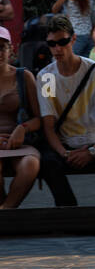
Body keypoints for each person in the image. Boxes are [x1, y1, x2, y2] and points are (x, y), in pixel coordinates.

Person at [37, 14, 95, 205]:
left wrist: (94, 150)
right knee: (48, 162)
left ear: (74, 39)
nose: (57, 49)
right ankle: (69, 212)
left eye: (63, 42)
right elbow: (48, 125)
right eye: (52, 44)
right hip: (66, 144)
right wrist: (65, 153)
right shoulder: (47, 77)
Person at [0, 26, 41, 209]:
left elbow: (40, 118)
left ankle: (6, 210)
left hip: (19, 143)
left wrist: (22, 128)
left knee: (30, 165)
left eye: (2, 47)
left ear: (11, 49)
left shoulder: (24, 76)